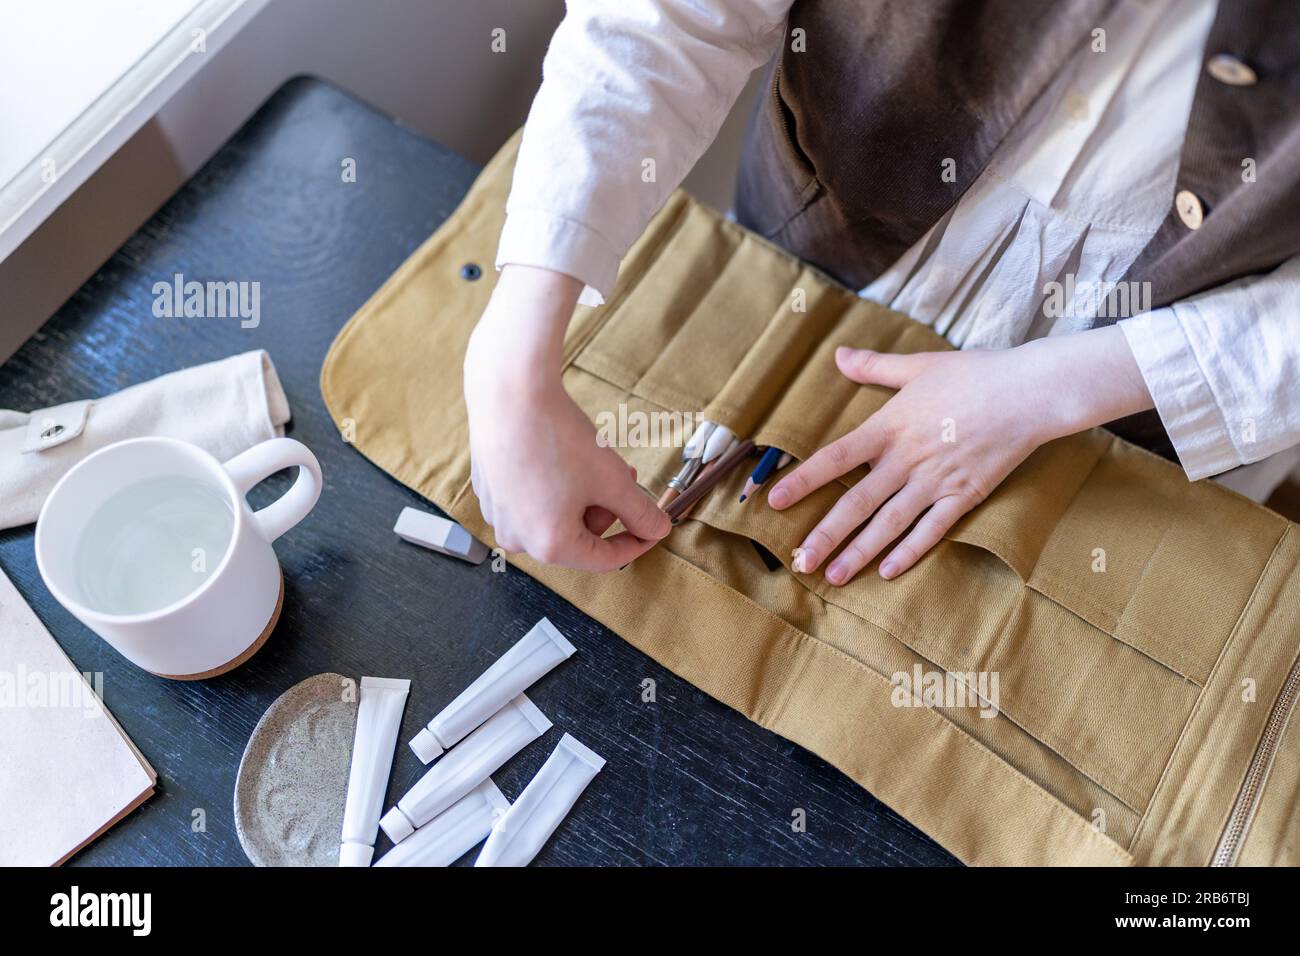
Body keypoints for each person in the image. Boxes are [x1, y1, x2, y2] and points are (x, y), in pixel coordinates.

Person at [465, 0, 1300, 584]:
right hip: (809, 258)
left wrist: (1057, 389)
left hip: (1177, 374)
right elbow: (672, 15)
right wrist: (511, 366)